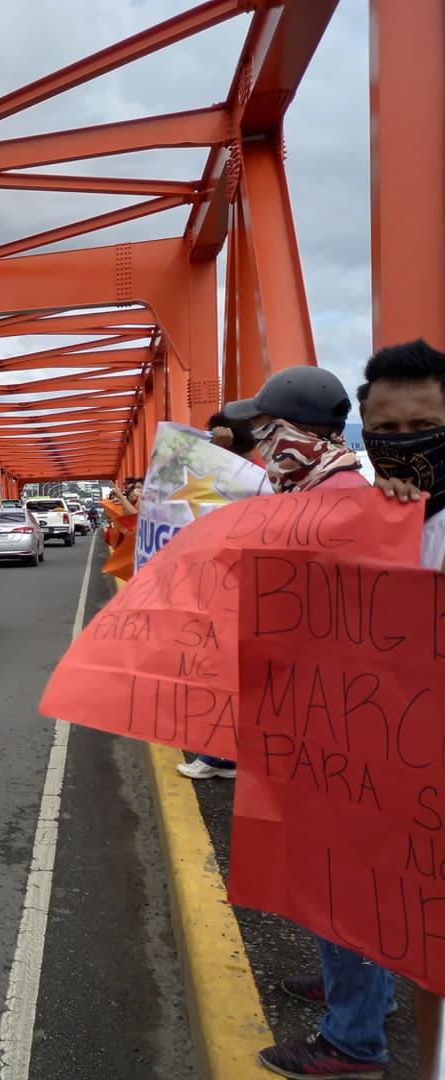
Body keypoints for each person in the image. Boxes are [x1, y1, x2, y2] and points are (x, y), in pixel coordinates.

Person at [221, 366, 386, 1079]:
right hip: (319, 718)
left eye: (266, 428)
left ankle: (354, 1041)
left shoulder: (342, 503)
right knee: (327, 879)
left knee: (347, 881)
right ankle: (345, 984)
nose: (260, 442)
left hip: (346, 728)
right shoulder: (312, 493)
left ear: (303, 434)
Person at [356, 338, 445, 1080]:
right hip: (415, 786)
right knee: (429, 954)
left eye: (424, 426)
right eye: (387, 432)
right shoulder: (369, 524)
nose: (405, 443)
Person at [175, 411, 260, 782]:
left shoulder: (245, 477)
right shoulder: (256, 472)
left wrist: (218, 453)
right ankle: (224, 755)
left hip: (234, 593)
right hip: (234, 590)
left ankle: (220, 757)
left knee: (223, 677)